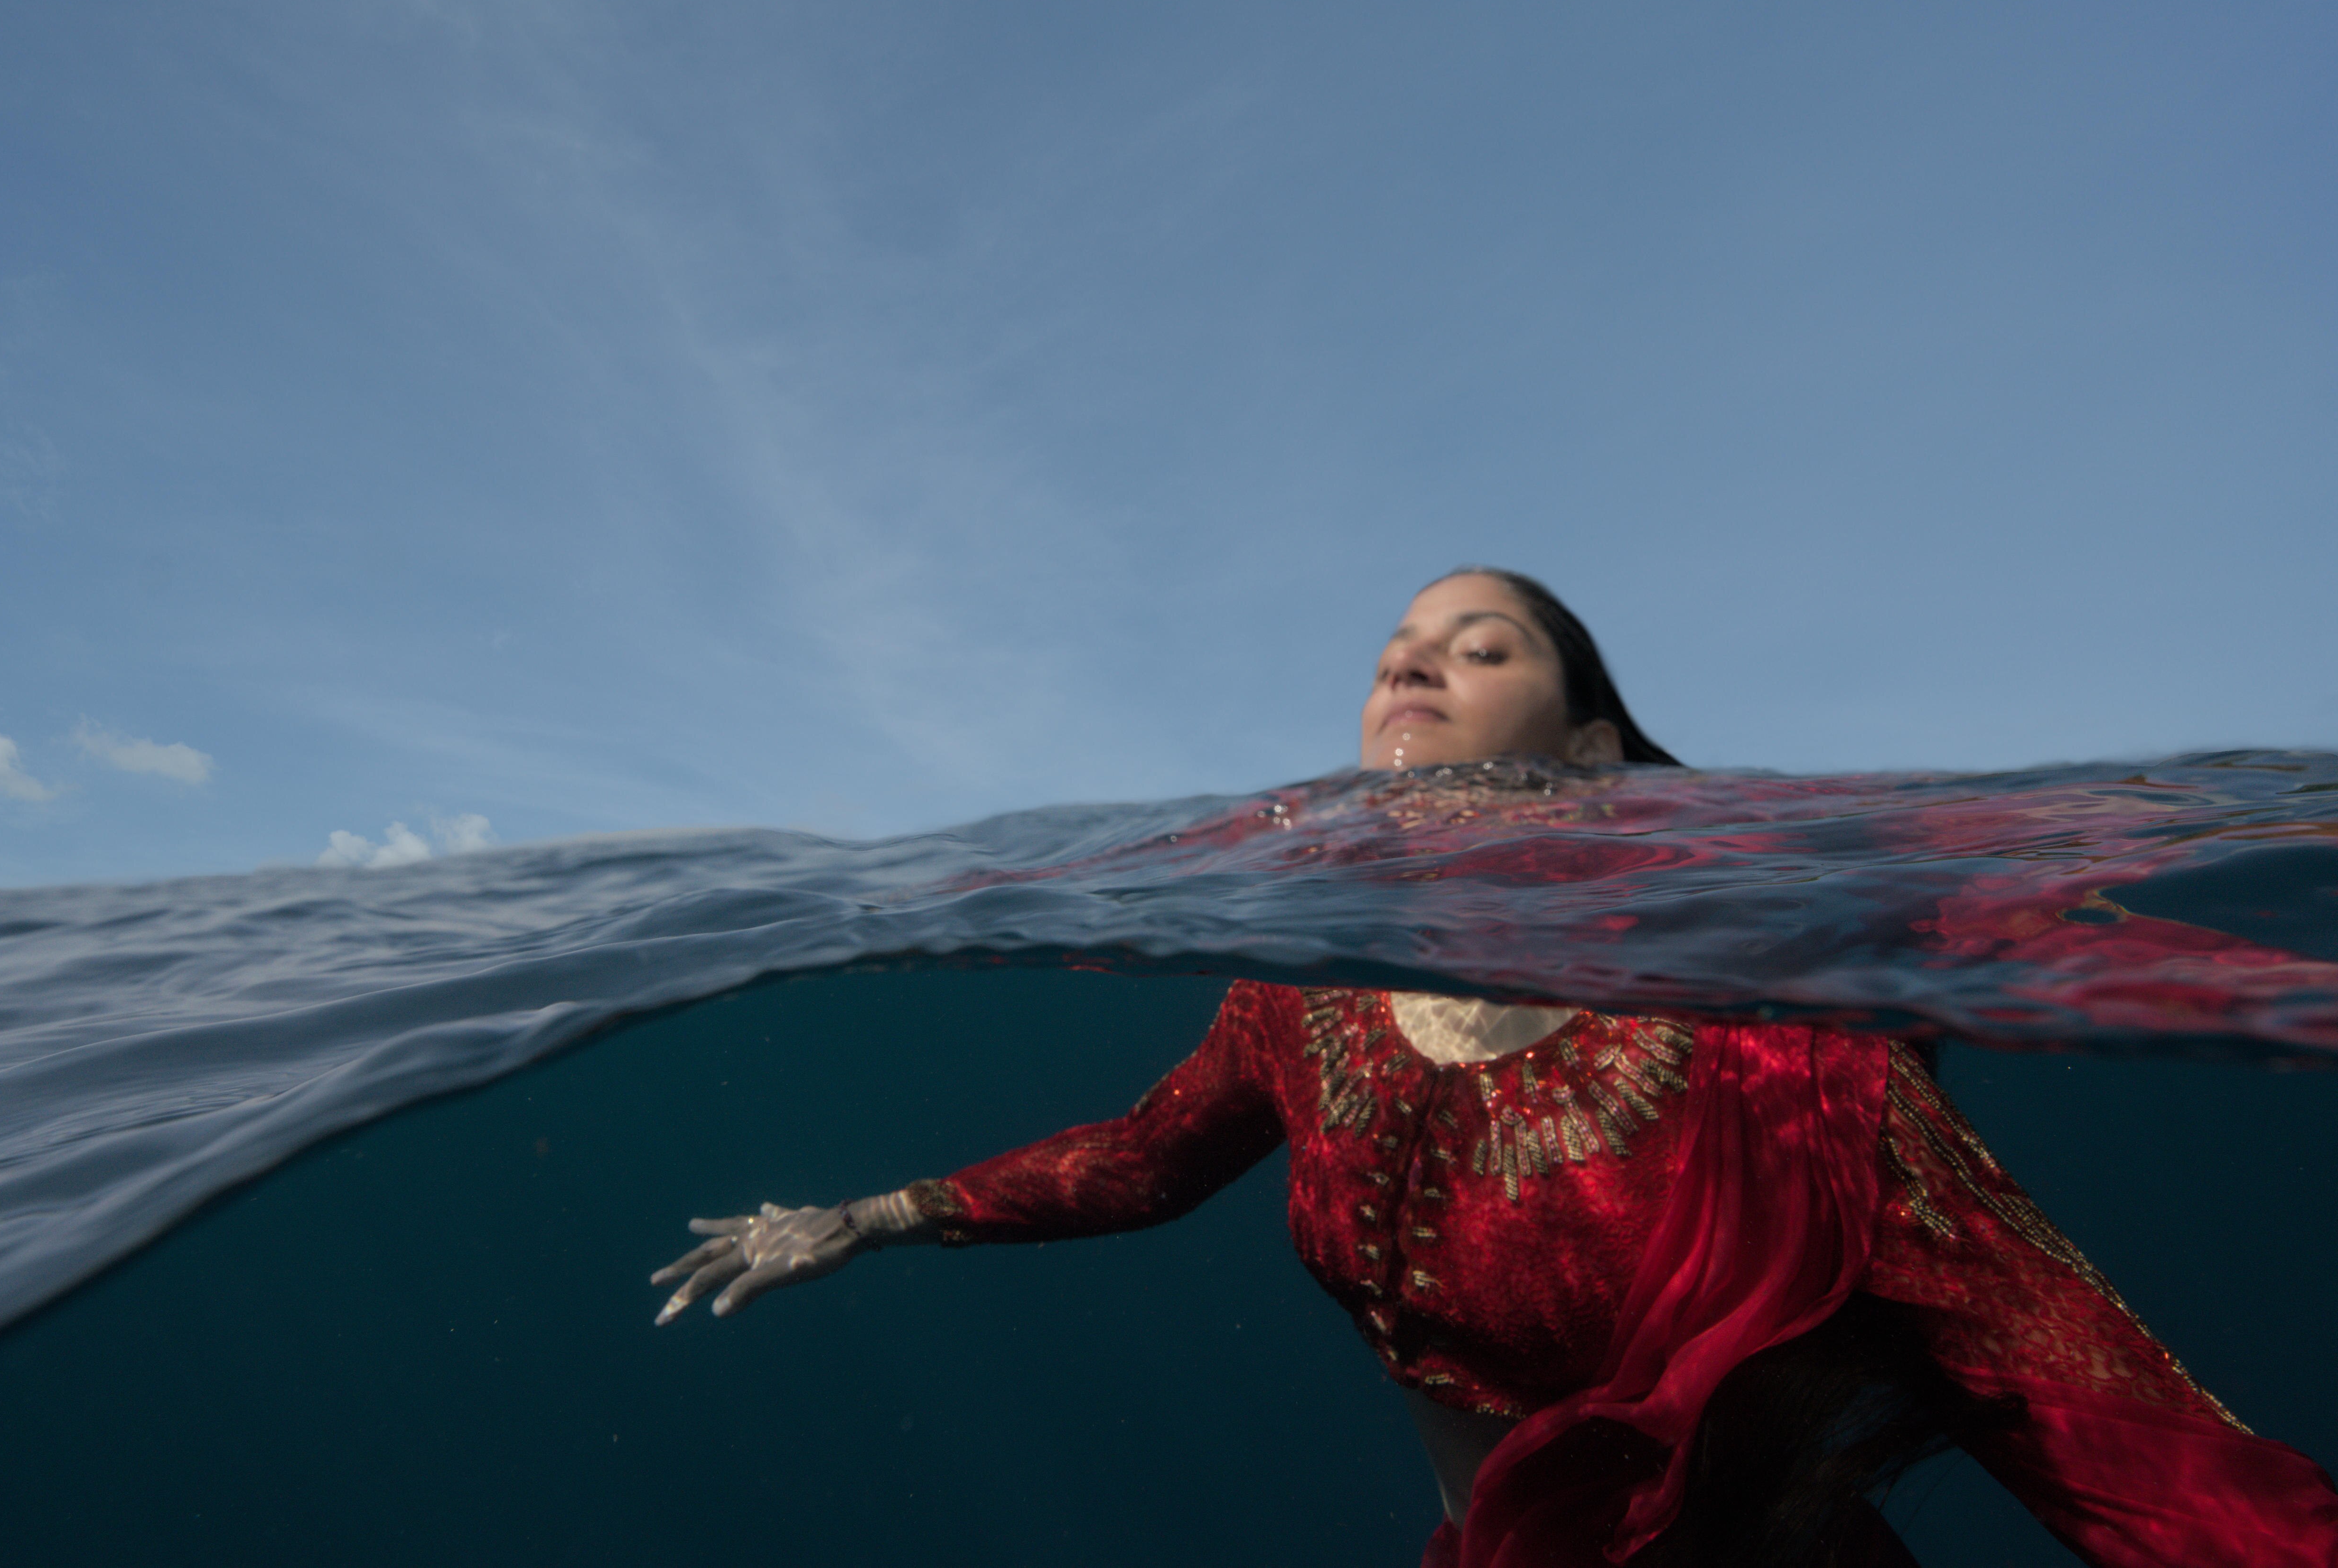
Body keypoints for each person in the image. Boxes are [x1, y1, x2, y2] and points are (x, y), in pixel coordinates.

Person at [651, 569, 2338, 1567]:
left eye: (1480, 646)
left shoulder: (1763, 1035)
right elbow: (1150, 1155)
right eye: (1399, 643)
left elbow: (2088, 1411)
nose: (1410, 663)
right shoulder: (1291, 998)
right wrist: (875, 1213)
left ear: (1590, 748)